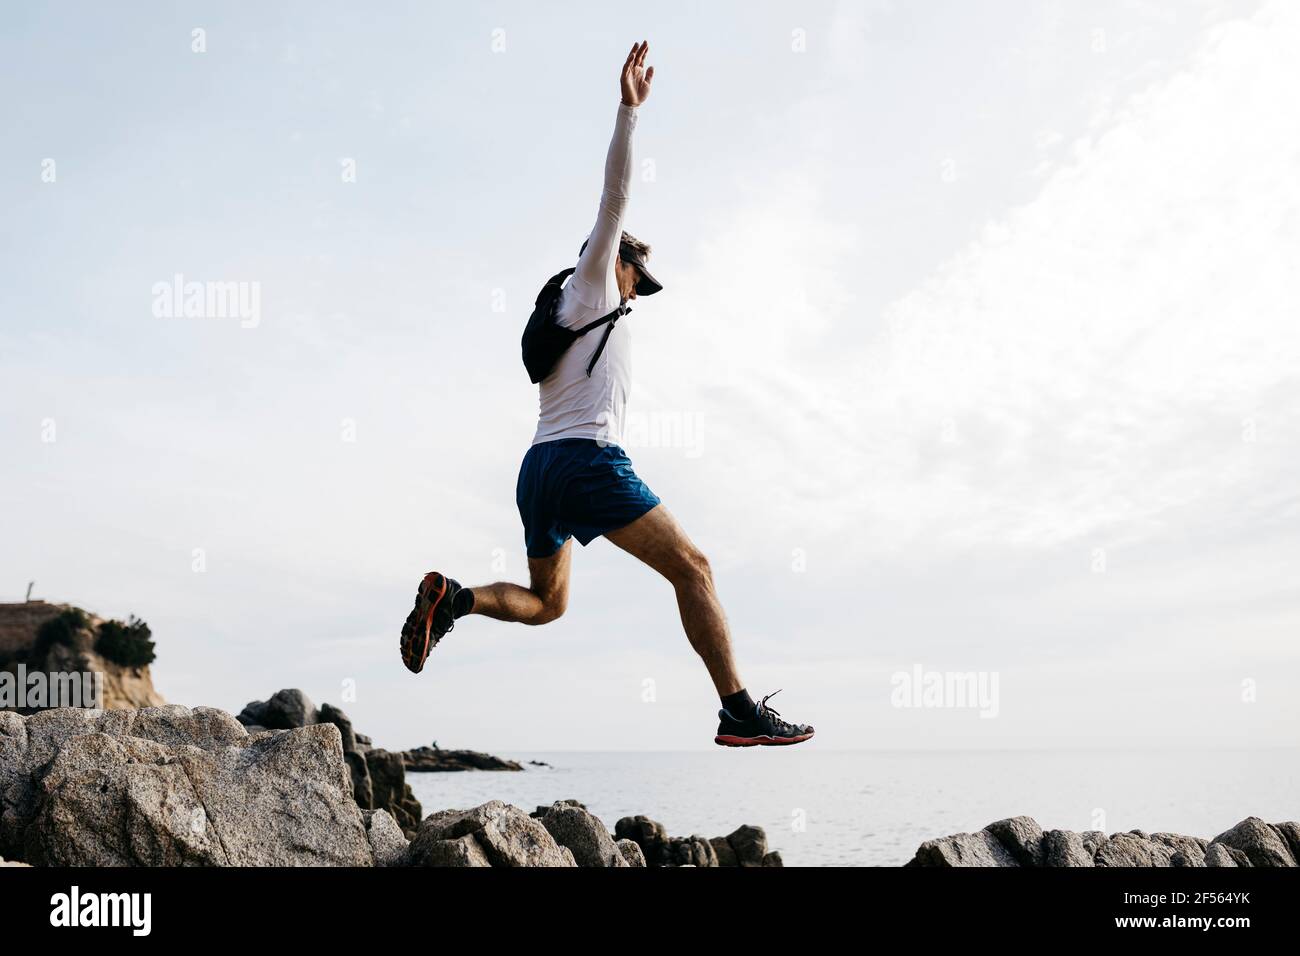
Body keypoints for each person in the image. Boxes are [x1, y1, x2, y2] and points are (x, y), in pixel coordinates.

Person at [400, 41, 813, 747]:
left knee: (548, 604)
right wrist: (628, 112)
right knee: (693, 568)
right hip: (588, 462)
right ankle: (739, 711)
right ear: (616, 260)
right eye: (637, 279)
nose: (638, 292)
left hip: (539, 471)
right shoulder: (589, 280)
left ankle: (455, 601)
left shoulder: (580, 311)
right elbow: (614, 195)